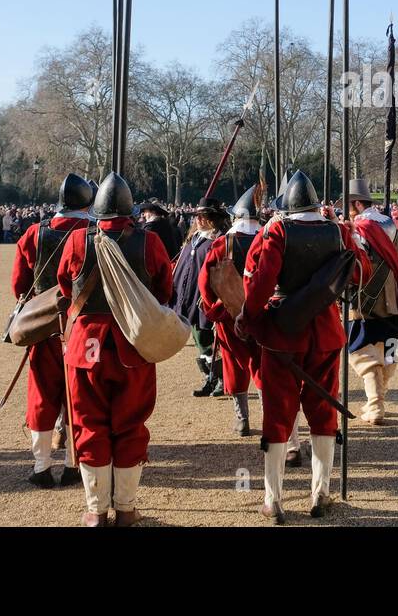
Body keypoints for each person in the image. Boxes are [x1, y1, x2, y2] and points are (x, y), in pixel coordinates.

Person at [241, 170, 370, 522]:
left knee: (278, 414)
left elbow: (261, 279)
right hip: (325, 331)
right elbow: (362, 270)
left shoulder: (278, 230)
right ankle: (320, 493)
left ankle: (275, 499)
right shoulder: (337, 230)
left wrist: (249, 321)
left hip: (283, 334)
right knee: (323, 412)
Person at [56, 173, 173, 526]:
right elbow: (163, 293)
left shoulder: (77, 240)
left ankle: (95, 510)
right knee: (131, 426)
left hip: (85, 347)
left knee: (89, 426)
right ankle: (125, 507)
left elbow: (65, 286)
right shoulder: (149, 243)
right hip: (133, 347)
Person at [9, 173, 93, 488]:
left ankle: (41, 466)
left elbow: (19, 285)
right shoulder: (92, 232)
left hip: (44, 329)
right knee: (78, 397)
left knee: (42, 397)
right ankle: (73, 463)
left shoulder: (34, 233)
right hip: (82, 329)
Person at [345, 178, 398, 426]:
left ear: (355, 203)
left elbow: (355, 266)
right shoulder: (389, 223)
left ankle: (375, 405)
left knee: (362, 353)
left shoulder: (358, 228)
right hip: (392, 297)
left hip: (365, 299)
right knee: (390, 350)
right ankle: (378, 399)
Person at [198, 185, 264, 436]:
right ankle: (268, 413)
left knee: (234, 365)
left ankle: (242, 419)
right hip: (261, 316)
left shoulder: (221, 244)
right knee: (262, 364)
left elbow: (205, 284)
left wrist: (215, 310)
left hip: (228, 317)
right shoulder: (268, 240)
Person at [174, 197, 230, 398]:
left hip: (207, 298)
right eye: (197, 216)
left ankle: (221, 379)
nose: (198, 219)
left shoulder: (220, 240)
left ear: (212, 218)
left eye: (202, 216)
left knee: (210, 341)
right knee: (199, 341)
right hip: (189, 296)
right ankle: (210, 378)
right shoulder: (194, 238)